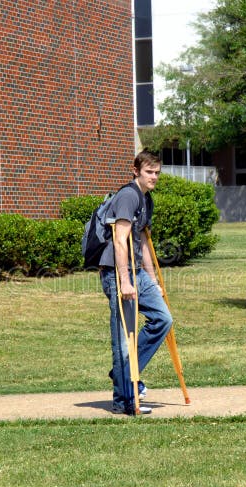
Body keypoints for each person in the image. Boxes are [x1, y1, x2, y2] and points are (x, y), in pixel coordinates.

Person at [99, 150, 173, 415]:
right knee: (123, 338)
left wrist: (153, 281)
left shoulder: (146, 199)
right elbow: (121, 240)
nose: (154, 177)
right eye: (149, 172)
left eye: (157, 173)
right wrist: (125, 281)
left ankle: (122, 374)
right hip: (117, 272)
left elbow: (141, 242)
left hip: (138, 273)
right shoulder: (128, 196)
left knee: (163, 319)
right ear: (136, 171)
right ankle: (125, 401)